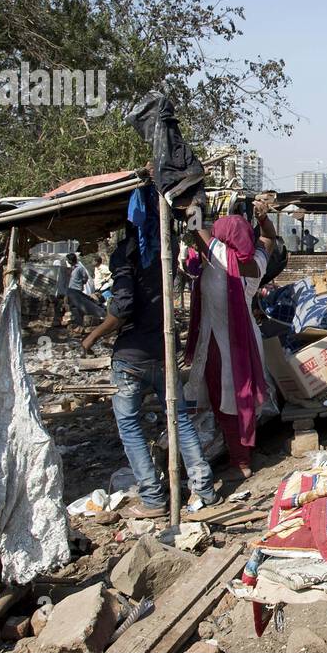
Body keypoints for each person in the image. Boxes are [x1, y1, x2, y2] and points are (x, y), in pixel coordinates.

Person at [81, 187, 220, 516]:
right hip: (163, 350)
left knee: (130, 426)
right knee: (181, 419)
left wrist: (92, 336)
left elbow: (123, 307)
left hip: (131, 357)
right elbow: (198, 225)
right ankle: (203, 488)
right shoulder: (167, 248)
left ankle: (153, 498)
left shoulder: (127, 254)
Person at [184, 206, 275, 479]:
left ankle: (241, 463)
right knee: (242, 398)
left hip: (221, 345)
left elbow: (194, 228)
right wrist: (263, 217)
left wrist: (192, 206)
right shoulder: (257, 262)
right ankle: (242, 454)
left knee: (226, 401)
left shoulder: (219, 257)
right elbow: (269, 237)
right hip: (247, 339)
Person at [65, 253, 104, 330]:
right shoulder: (72, 268)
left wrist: (81, 283)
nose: (67, 261)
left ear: (70, 260)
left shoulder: (80, 268)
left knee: (79, 307)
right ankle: (78, 324)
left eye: (68, 260)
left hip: (76, 290)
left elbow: (85, 278)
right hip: (71, 289)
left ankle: (81, 323)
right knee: (74, 307)